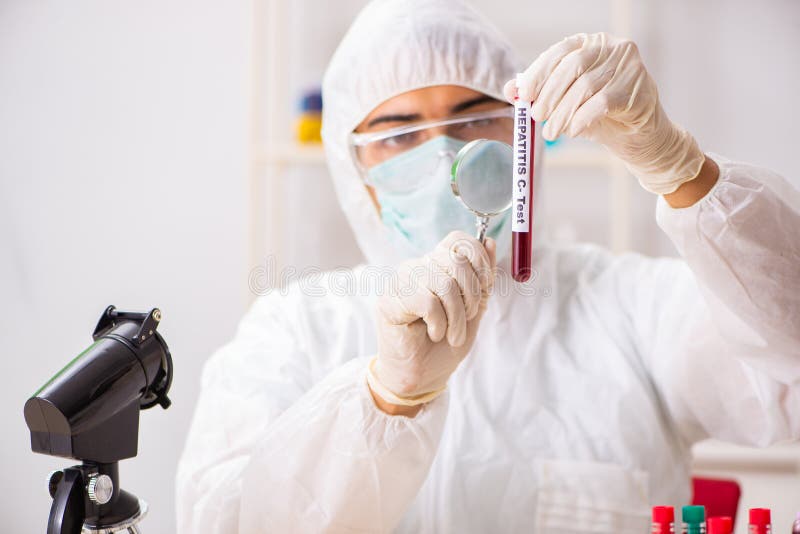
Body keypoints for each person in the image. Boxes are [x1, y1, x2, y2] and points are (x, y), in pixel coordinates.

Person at [176, 0, 800, 532]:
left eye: (475, 120)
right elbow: (225, 518)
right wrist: (385, 398)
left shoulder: (630, 306)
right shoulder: (294, 329)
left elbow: (787, 366)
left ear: (525, 135)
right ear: (354, 170)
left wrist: (684, 172)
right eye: (398, 133)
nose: (444, 152)